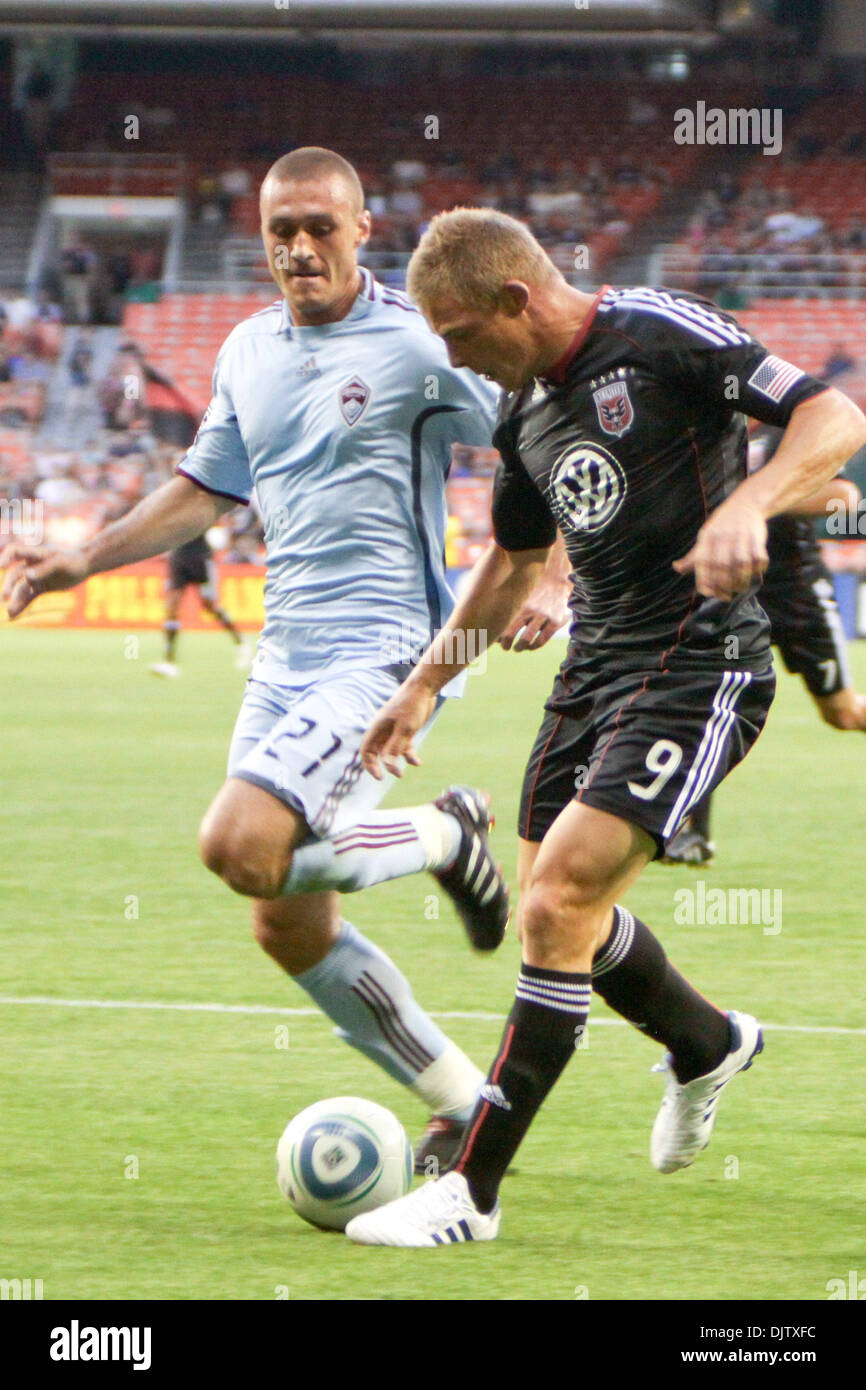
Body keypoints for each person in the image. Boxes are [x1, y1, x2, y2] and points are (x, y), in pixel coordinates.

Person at [1, 151, 568, 1172]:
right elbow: (203, 486)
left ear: (361, 231)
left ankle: (440, 832)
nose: (298, 248)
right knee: (285, 923)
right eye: (280, 232)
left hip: (388, 650)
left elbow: (539, 435)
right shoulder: (245, 349)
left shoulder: (417, 343)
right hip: (284, 659)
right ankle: (459, 1104)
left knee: (237, 843)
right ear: (259, 237)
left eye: (319, 227)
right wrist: (80, 555)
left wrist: (552, 577)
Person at [346, 207, 866, 1246]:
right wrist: (420, 687)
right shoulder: (522, 412)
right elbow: (507, 566)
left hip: (699, 659)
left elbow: (832, 418)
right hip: (595, 669)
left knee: (552, 904)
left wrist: (747, 505)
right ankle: (706, 1039)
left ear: (514, 300)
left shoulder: (658, 333)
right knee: (565, 914)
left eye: (458, 337)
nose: (454, 358)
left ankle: (471, 1192)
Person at [665, 427, 866, 864]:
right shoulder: (700, 429)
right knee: (699, 704)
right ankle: (691, 836)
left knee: (844, 713)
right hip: (728, 594)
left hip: (795, 594)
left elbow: (843, 497)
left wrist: (752, 500)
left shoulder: (790, 428)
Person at [149, 531, 252, 677]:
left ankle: (240, 641)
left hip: (200, 557)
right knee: (172, 607)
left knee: (209, 606)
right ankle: (169, 660)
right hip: (178, 556)